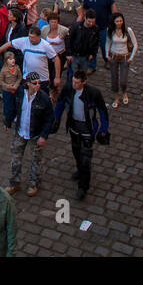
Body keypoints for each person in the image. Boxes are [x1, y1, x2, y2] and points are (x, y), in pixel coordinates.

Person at [52, 69, 110, 201]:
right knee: (76, 151)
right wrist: (56, 119)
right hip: (74, 127)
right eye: (73, 81)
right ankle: (80, 169)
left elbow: (102, 111)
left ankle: (83, 186)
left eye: (77, 83)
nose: (74, 84)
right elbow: (60, 103)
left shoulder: (93, 93)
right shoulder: (68, 89)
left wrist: (103, 129)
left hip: (88, 129)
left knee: (86, 158)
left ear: (84, 82)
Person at [8, 73, 54, 197]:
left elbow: (50, 119)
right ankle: (14, 183)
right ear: (28, 84)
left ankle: (34, 184)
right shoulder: (20, 93)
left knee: (36, 161)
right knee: (15, 159)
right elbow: (13, 107)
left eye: (39, 83)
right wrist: (8, 120)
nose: (38, 85)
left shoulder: (44, 98)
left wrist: (43, 136)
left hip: (36, 134)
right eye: (35, 83)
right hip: (21, 132)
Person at [0, 24, 60, 88]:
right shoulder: (24, 41)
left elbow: (56, 59)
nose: (31, 39)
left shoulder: (46, 46)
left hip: (42, 80)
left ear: (39, 37)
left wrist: (57, 77)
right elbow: (9, 44)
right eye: (29, 37)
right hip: (27, 79)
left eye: (33, 37)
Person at [79, 0, 116, 69]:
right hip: (91, 27)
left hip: (104, 25)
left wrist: (114, 20)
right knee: (91, 46)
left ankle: (107, 60)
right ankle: (92, 66)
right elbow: (84, 10)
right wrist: (84, 21)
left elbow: (113, 6)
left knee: (105, 45)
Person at [106, 13, 138, 107]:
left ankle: (124, 92)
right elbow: (107, 43)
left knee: (123, 80)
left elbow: (135, 44)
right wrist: (107, 54)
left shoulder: (128, 30)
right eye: (117, 21)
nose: (119, 23)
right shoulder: (110, 30)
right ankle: (116, 97)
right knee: (114, 79)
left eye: (120, 21)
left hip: (125, 57)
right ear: (113, 22)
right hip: (113, 57)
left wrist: (131, 57)